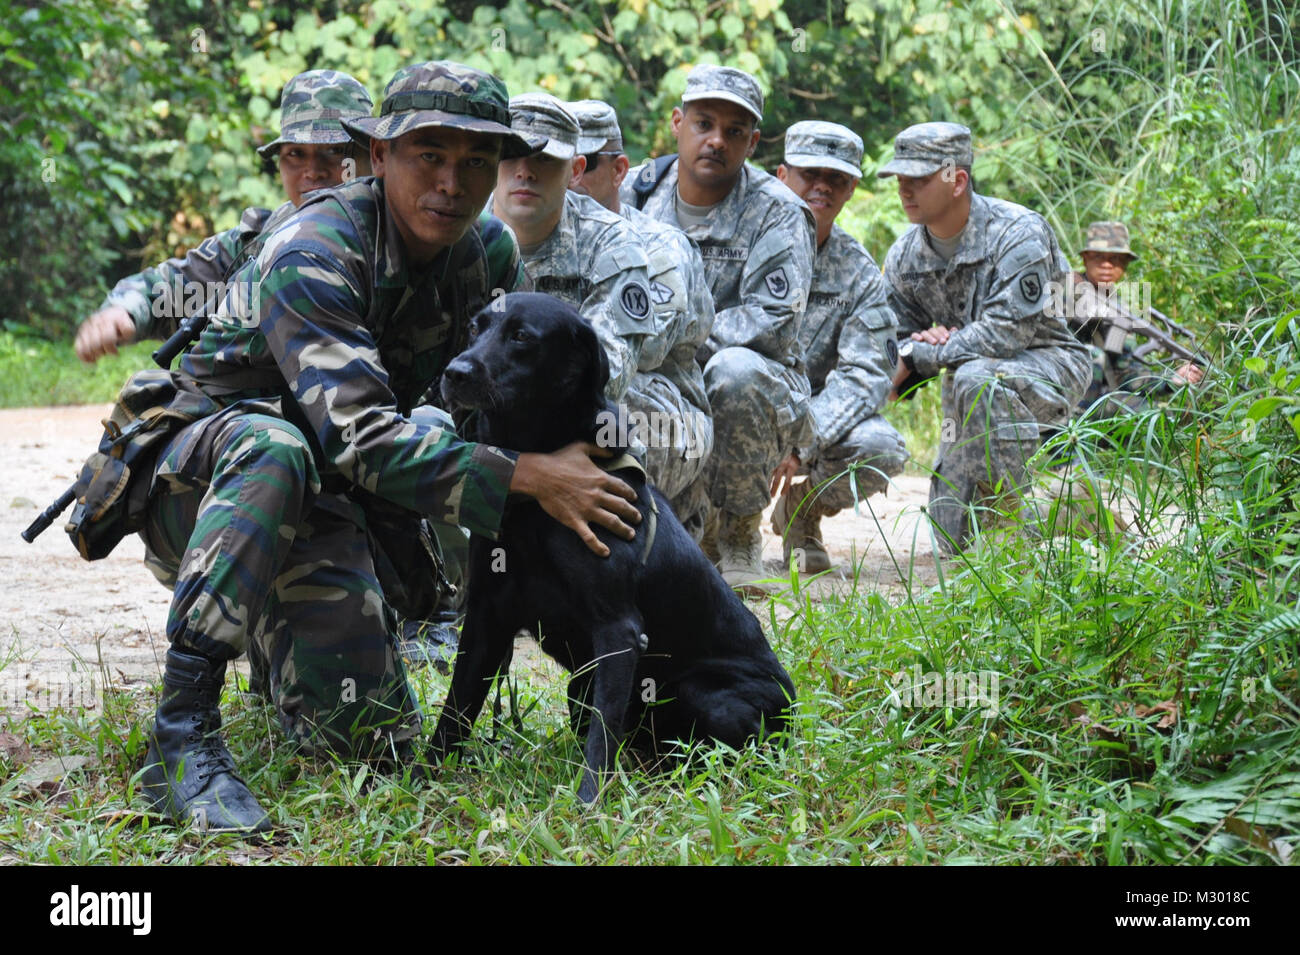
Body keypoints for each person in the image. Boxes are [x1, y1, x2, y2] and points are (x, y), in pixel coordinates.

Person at [132, 61, 642, 832]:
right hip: (203, 487)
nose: (451, 182)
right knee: (275, 446)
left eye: (475, 161)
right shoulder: (314, 248)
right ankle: (181, 731)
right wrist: (532, 477)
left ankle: (285, 646)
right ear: (378, 157)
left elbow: (489, 397)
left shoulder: (487, 254)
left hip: (325, 493)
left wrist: (596, 465)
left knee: (364, 738)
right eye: (428, 155)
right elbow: (365, 439)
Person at [621, 64, 816, 593]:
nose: (716, 141)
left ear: (752, 143)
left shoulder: (778, 212)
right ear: (677, 124)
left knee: (733, 372)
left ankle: (738, 533)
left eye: (734, 132)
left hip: (759, 379)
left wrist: (668, 342)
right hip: (659, 368)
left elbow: (772, 323)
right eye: (704, 123)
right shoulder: (636, 194)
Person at [879, 122, 1090, 555]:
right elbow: (890, 349)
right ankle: (1071, 507)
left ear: (957, 181)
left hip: (1050, 363)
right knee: (952, 538)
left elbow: (1002, 334)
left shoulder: (1018, 233)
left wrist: (922, 352)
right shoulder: (905, 256)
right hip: (968, 379)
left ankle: (1008, 530)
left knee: (978, 376)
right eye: (900, 178)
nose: (905, 189)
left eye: (918, 178)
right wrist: (911, 352)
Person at [74, 70, 374, 363]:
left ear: (375, 156)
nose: (313, 171)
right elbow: (175, 289)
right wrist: (122, 312)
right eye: (296, 154)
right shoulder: (256, 243)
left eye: (335, 151)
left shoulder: (400, 237)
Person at [566, 98, 715, 521]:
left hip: (664, 410)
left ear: (618, 171)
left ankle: (653, 529)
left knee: (608, 408)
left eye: (586, 162)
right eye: (556, 161)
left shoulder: (659, 247)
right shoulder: (524, 236)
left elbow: (640, 352)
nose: (569, 175)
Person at [768, 121, 908, 572]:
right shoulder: (735, 245)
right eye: (810, 173)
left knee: (880, 449)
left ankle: (801, 511)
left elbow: (867, 375)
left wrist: (800, 444)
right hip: (732, 407)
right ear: (781, 175)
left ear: (851, 190)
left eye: (838, 179)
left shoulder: (859, 271)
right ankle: (710, 525)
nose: (822, 187)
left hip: (810, 419)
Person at [1066, 220, 1203, 417]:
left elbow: (1125, 374)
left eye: (1115, 259)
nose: (1106, 265)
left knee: (1158, 419)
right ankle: (1065, 438)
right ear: (1085, 258)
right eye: (1098, 257)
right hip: (1055, 396)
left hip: (1098, 398)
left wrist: (1170, 381)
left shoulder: (1120, 311)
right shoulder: (1066, 286)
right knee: (1091, 354)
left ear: (1125, 265)